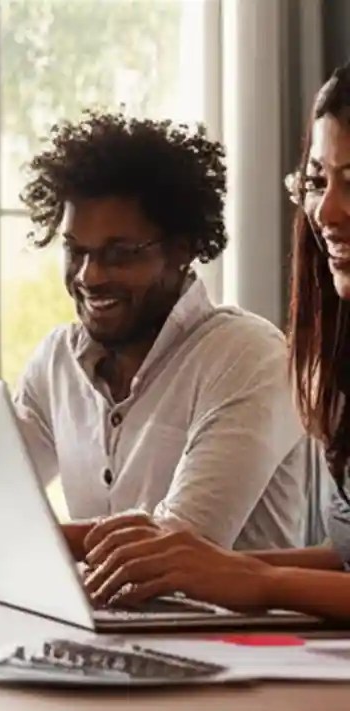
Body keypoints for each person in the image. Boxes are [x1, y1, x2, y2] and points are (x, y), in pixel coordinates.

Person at [0, 109, 309, 562]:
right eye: (75, 251)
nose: (90, 276)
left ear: (181, 250)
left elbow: (179, 539)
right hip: (108, 628)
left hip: (229, 630)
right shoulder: (57, 362)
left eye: (119, 254)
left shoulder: (246, 355)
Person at [82, 63, 350, 618]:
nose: (326, 211)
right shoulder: (338, 359)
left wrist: (259, 579)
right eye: (318, 180)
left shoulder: (244, 353)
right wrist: (207, 565)